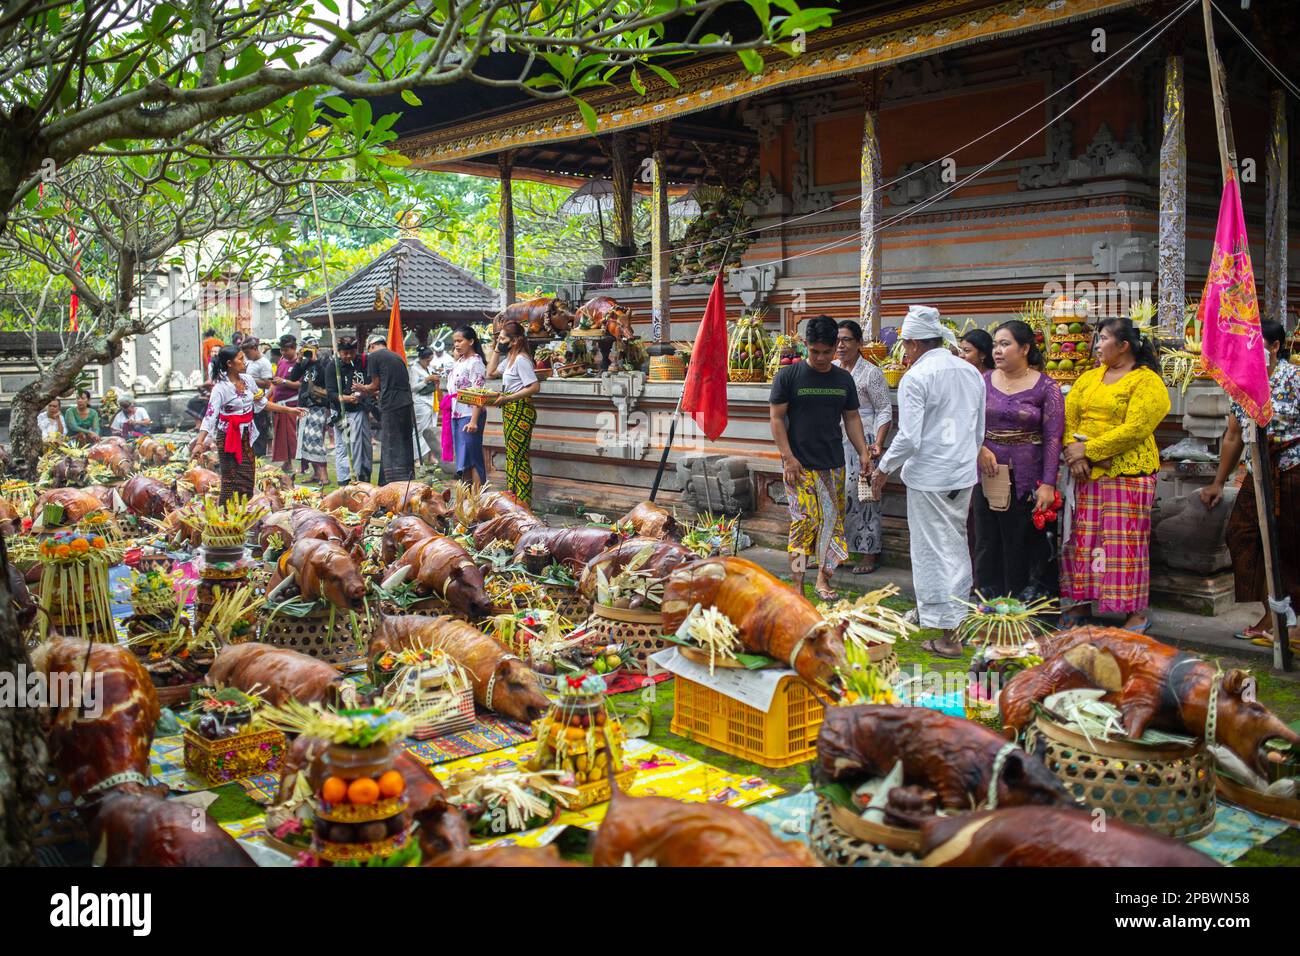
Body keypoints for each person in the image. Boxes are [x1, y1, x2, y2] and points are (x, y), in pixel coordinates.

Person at [869, 305, 985, 658]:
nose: (904, 352)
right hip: (961, 473)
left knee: (934, 553)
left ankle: (949, 635)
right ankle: (943, 617)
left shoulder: (917, 377)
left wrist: (883, 468)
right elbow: (977, 431)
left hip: (931, 476)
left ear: (915, 344)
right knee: (953, 546)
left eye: (905, 345)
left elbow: (909, 437)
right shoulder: (970, 372)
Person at [1059, 316, 1170, 633]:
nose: (1096, 345)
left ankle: (1134, 612)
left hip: (1127, 474)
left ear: (1124, 346)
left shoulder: (1147, 382)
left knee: (1123, 543)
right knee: (1084, 540)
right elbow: (1069, 417)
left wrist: (1089, 450)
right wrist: (1072, 451)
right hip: (1085, 474)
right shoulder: (1089, 377)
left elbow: (1136, 429)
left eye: (1103, 338)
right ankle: (1082, 601)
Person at [1198, 320, 1300, 650]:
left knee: (1291, 543)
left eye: (1253, 348)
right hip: (1258, 473)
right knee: (1242, 534)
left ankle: (1289, 622)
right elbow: (1233, 435)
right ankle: (1273, 611)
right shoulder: (1241, 383)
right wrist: (1217, 482)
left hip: (1292, 469)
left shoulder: (1294, 378)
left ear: (1273, 347)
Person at [770, 314, 873, 601]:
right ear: (805, 345)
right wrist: (788, 457)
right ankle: (797, 584)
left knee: (831, 523)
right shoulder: (788, 376)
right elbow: (776, 419)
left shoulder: (843, 379)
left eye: (827, 352)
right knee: (804, 524)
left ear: (836, 347)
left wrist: (864, 451)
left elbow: (851, 418)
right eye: (815, 351)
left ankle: (823, 580)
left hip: (833, 464)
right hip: (798, 466)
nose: (821, 357)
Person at [973, 319, 1064, 600]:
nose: (997, 350)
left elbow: (1053, 437)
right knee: (987, 539)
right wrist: (978, 447)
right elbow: (966, 421)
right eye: (995, 344)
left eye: (1005, 344)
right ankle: (987, 603)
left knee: (1023, 540)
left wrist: (1048, 483)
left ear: (1025, 348)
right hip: (987, 473)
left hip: (1027, 474)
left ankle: (1023, 609)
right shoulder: (982, 382)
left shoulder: (1047, 387)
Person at [191, 345, 303, 504]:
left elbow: (262, 404)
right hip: (228, 437)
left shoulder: (248, 380)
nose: (245, 362)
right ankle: (225, 517)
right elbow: (210, 416)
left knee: (247, 478)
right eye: (241, 359)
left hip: (247, 435)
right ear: (229, 363)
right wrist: (200, 442)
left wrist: (290, 410)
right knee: (230, 480)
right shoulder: (220, 388)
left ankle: (245, 514)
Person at [834, 320, 892, 574]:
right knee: (836, 495)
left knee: (864, 496)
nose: (841, 345)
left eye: (847, 339)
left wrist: (878, 443)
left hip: (864, 443)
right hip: (835, 440)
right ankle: (839, 552)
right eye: (837, 340)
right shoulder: (832, 369)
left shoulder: (871, 373)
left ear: (859, 343)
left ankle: (868, 553)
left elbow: (884, 409)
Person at [489, 321, 542, 505]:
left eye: (503, 338)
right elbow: (490, 373)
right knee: (512, 455)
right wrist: (497, 349)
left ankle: (523, 502)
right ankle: (513, 497)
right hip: (510, 409)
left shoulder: (521, 359)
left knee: (519, 457)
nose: (500, 341)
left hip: (520, 408)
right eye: (499, 338)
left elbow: (534, 386)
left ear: (515, 340)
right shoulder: (510, 358)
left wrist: (508, 398)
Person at [355, 334, 416, 485]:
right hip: (406, 403)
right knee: (404, 441)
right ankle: (406, 476)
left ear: (372, 346)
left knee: (390, 443)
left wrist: (362, 388)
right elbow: (390, 385)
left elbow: (375, 385)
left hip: (391, 405)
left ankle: (389, 481)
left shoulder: (374, 356)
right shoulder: (397, 357)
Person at [325, 336, 374, 484]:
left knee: (364, 445)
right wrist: (345, 398)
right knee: (345, 446)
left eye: (351, 352)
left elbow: (371, 384)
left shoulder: (364, 362)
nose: (348, 356)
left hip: (360, 409)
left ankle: (363, 476)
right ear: (339, 352)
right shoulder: (333, 366)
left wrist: (364, 392)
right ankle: (345, 480)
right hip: (342, 412)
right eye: (344, 353)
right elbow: (330, 393)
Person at [445, 325, 488, 488]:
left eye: (459, 340)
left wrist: (474, 421)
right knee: (464, 459)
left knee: (473, 457)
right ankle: (467, 500)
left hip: (470, 415)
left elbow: (478, 393)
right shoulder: (460, 361)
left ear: (470, 341)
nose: (456, 344)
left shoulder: (476, 362)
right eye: (454, 341)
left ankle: (478, 500)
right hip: (457, 414)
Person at [295, 337, 331, 484]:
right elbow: (293, 377)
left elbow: (325, 380)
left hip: (318, 406)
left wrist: (316, 360)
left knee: (315, 440)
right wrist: (298, 360)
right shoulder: (304, 362)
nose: (308, 352)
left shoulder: (325, 361)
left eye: (310, 348)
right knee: (305, 441)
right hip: (304, 405)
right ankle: (316, 474)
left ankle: (324, 476)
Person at [270, 334, 305, 473]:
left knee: (292, 436)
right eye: (282, 350)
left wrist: (284, 382)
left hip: (292, 404)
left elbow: (300, 384)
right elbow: (275, 382)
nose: (284, 353)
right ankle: (287, 463)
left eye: (286, 350)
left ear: (294, 348)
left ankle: (301, 465)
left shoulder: (300, 363)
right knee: (281, 436)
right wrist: (266, 397)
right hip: (279, 403)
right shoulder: (282, 361)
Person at [241, 338, 275, 458]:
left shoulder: (264, 363)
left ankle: (259, 457)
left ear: (255, 349)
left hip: (259, 401)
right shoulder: (250, 362)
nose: (246, 356)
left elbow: (267, 383)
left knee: (259, 432)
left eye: (248, 353)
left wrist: (248, 379)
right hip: (249, 402)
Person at [410, 346, 440, 469]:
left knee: (431, 429)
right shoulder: (414, 369)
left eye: (430, 360)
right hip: (420, 402)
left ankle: (430, 456)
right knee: (420, 429)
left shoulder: (429, 368)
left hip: (432, 400)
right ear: (421, 359)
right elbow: (412, 387)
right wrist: (426, 380)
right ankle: (417, 457)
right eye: (427, 360)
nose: (429, 363)